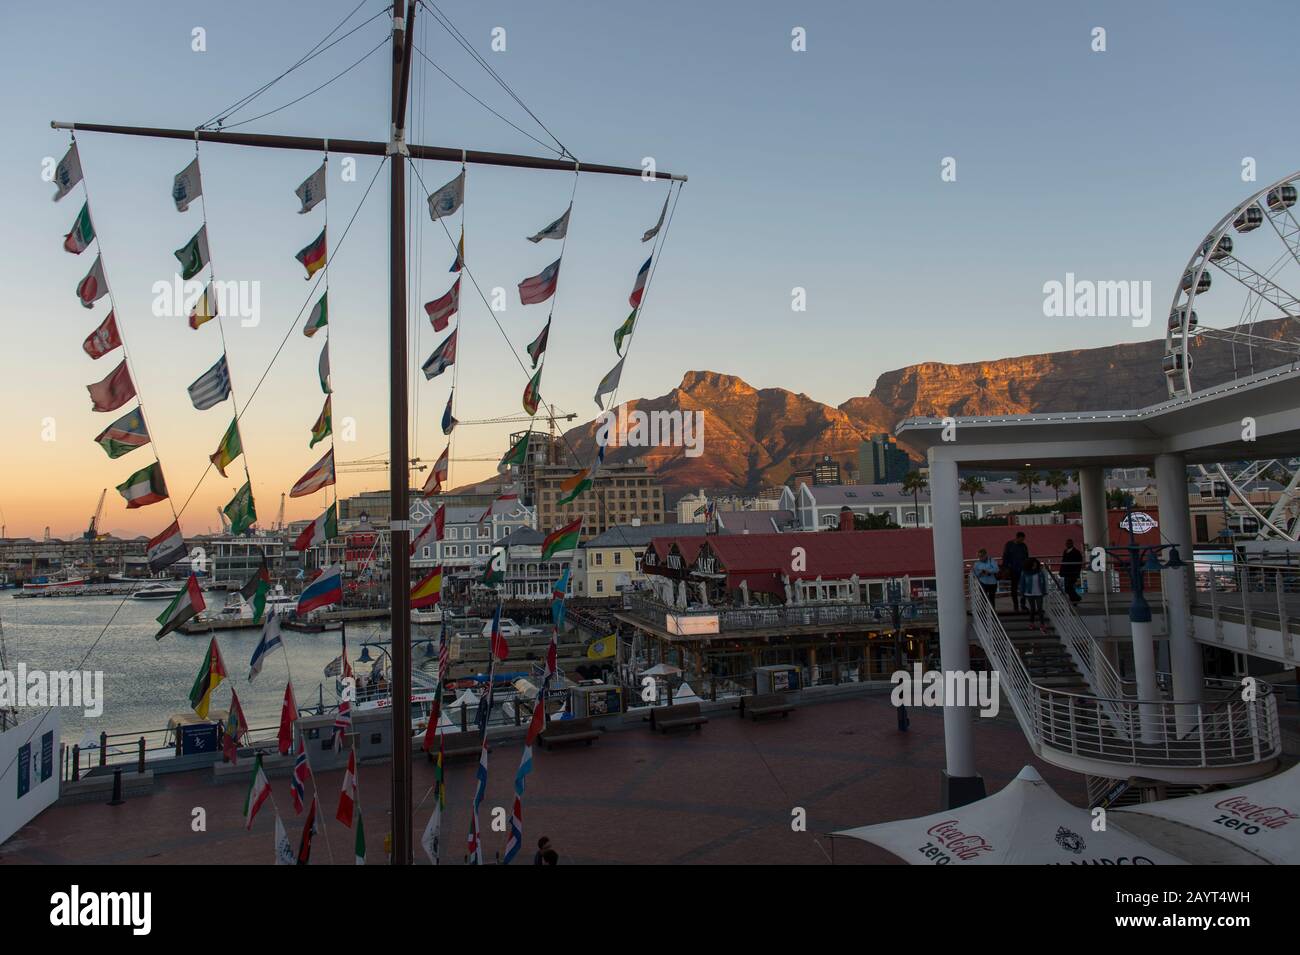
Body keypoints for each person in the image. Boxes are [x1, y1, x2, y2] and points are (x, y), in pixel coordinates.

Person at [1001, 532, 1030, 612]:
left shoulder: (1024, 546)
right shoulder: (1009, 545)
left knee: (1023, 587)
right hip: (1013, 570)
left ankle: (1023, 604)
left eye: (1023, 540)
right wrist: (1006, 567)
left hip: (1023, 570)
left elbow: (1027, 557)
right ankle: (1016, 605)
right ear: (1017, 537)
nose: (1022, 541)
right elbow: (1005, 556)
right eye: (1021, 539)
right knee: (1014, 588)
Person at [1020, 556, 1049, 630]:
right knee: (1032, 609)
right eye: (1034, 564)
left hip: (1039, 593)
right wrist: (1022, 593)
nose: (1035, 565)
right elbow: (1022, 583)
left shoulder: (1040, 572)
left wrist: (1044, 591)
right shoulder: (1025, 572)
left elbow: (1043, 582)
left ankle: (1042, 624)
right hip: (1029, 593)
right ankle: (1031, 623)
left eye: (1036, 563)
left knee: (1040, 609)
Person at [1059, 539, 1084, 605]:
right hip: (1067, 572)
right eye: (1067, 543)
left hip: (1073, 572)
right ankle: (1075, 599)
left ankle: (1075, 599)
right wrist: (1061, 571)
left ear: (1072, 544)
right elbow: (1063, 562)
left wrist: (1077, 572)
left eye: (1069, 543)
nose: (1067, 544)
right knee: (1068, 588)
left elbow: (1079, 563)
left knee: (1069, 587)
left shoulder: (1076, 552)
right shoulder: (1065, 551)